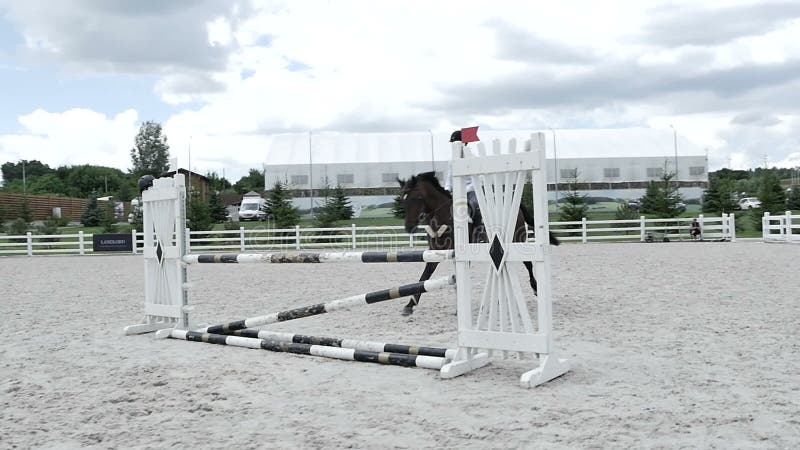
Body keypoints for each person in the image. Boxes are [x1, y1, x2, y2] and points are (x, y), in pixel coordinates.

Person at [443, 130, 481, 226]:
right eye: (452, 144)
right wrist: (446, 189)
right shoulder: (452, 160)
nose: (452, 146)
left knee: (474, 206)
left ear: (463, 144)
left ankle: (479, 231)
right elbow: (449, 178)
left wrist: (463, 190)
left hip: (472, 192)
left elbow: (476, 181)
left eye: (455, 143)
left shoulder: (473, 158)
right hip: (456, 192)